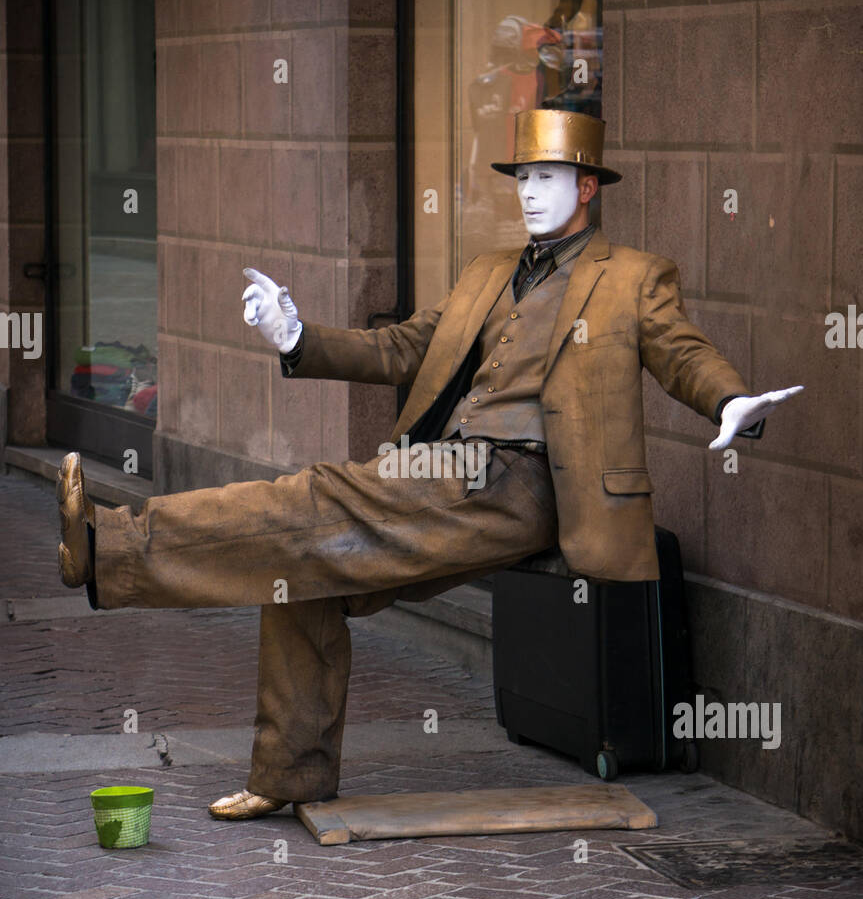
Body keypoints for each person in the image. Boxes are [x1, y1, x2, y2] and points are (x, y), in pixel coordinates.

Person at [56, 107, 802, 820]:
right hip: (453, 470)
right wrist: (295, 336)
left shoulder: (633, 274)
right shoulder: (487, 270)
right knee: (302, 564)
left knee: (315, 500)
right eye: (522, 179)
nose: (530, 194)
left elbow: (681, 351)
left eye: (548, 178)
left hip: (528, 480)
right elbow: (404, 348)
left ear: (586, 187)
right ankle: (289, 778)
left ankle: (108, 543)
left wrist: (728, 403)